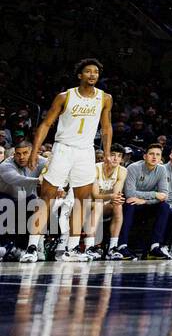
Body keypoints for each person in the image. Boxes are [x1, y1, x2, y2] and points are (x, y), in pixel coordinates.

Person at [23, 59, 113, 263]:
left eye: (96, 72)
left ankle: (71, 250)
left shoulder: (105, 98)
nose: (92, 75)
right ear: (79, 75)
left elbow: (106, 128)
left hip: (86, 151)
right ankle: (31, 246)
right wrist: (35, 150)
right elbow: (46, 124)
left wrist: (106, 152)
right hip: (62, 148)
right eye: (88, 71)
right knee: (47, 197)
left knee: (81, 201)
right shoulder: (65, 96)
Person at [112, 144, 171, 260]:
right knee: (130, 203)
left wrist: (144, 201)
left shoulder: (162, 170)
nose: (154, 157)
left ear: (160, 158)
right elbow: (129, 193)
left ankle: (154, 247)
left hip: (145, 204)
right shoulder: (133, 168)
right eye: (151, 154)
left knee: (164, 206)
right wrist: (154, 194)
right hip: (132, 204)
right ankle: (122, 245)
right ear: (144, 156)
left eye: (157, 155)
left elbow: (164, 195)